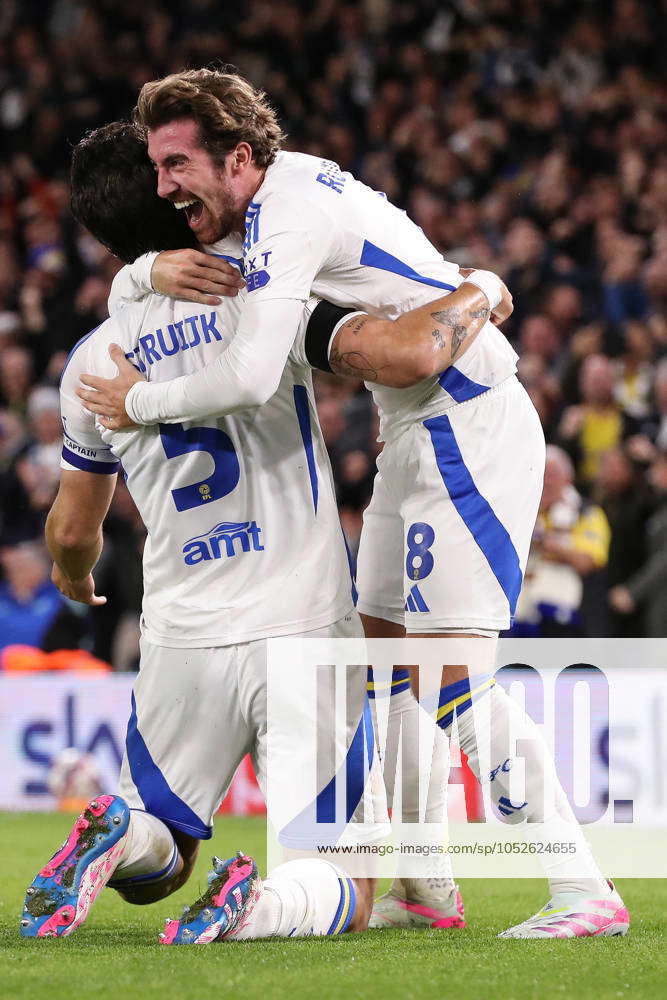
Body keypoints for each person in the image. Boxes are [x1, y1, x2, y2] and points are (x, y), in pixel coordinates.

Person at [80, 69, 629, 939]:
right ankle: (424, 886)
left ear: (240, 157)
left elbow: (257, 371)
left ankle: (581, 890)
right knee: (376, 675)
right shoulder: (264, 214)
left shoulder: (290, 210)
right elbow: (162, 287)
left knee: (452, 680)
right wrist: (144, 265)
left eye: (176, 163)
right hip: (410, 438)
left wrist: (134, 404)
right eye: (154, 170)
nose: (163, 186)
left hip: (467, 425)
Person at [21, 121, 501, 944]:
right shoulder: (264, 301)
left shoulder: (88, 361)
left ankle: (118, 831)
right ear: (176, 203)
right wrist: (477, 291)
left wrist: (74, 570)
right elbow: (391, 350)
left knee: (162, 841)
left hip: (182, 634)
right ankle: (260, 905)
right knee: (343, 877)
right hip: (300, 621)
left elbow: (72, 528)